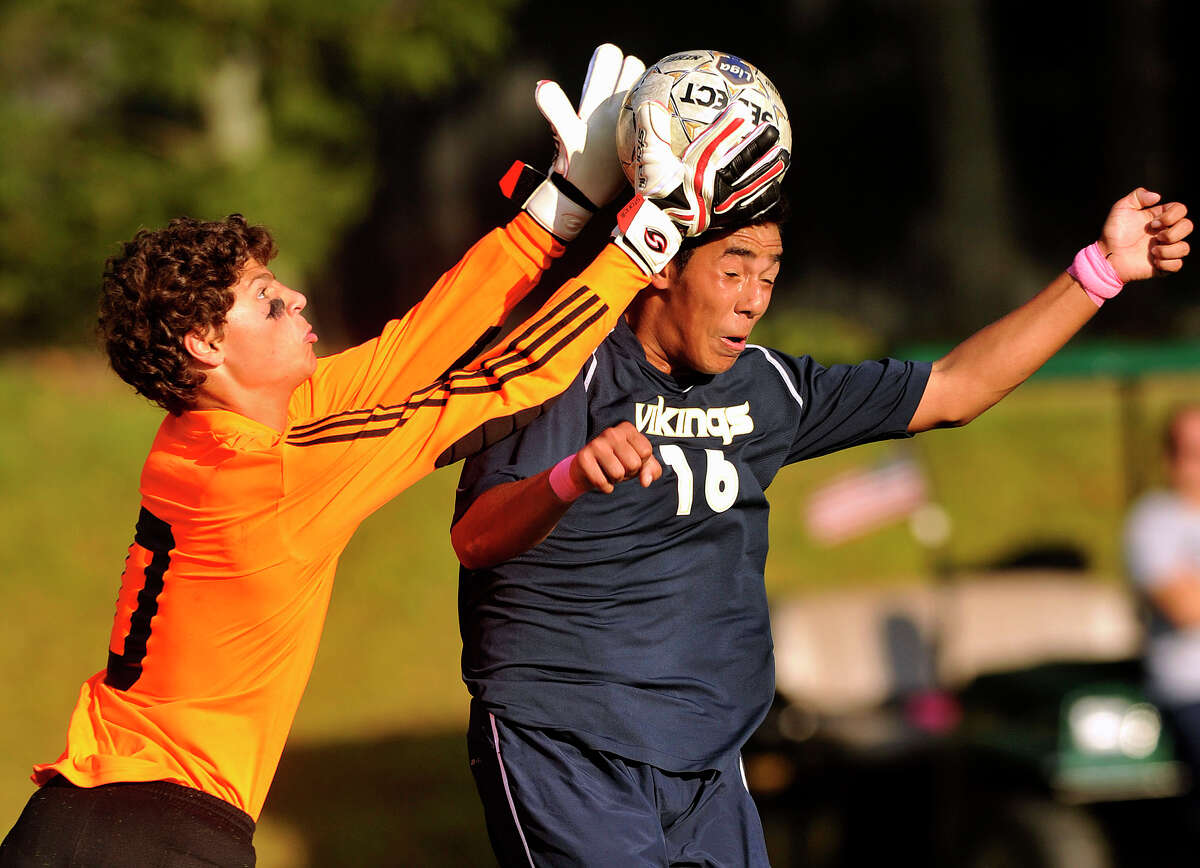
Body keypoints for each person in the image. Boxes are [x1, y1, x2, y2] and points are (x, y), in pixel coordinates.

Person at [0, 43, 787, 866]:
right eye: (267, 303)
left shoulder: (206, 437)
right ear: (205, 344)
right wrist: (650, 234)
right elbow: (498, 383)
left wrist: (566, 203)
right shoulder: (275, 479)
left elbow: (418, 346)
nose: (295, 297)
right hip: (154, 837)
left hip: (74, 821)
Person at [450, 184, 1192, 866]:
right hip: (568, 747)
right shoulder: (563, 365)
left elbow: (956, 388)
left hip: (707, 760)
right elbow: (476, 538)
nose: (753, 300)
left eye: (769, 275)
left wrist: (1101, 272)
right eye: (733, 271)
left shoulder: (766, 386)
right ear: (660, 265)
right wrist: (568, 477)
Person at [1124, 403, 1200, 825]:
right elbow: (1185, 608)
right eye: (1192, 452)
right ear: (1171, 459)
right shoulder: (1153, 521)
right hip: (1190, 690)